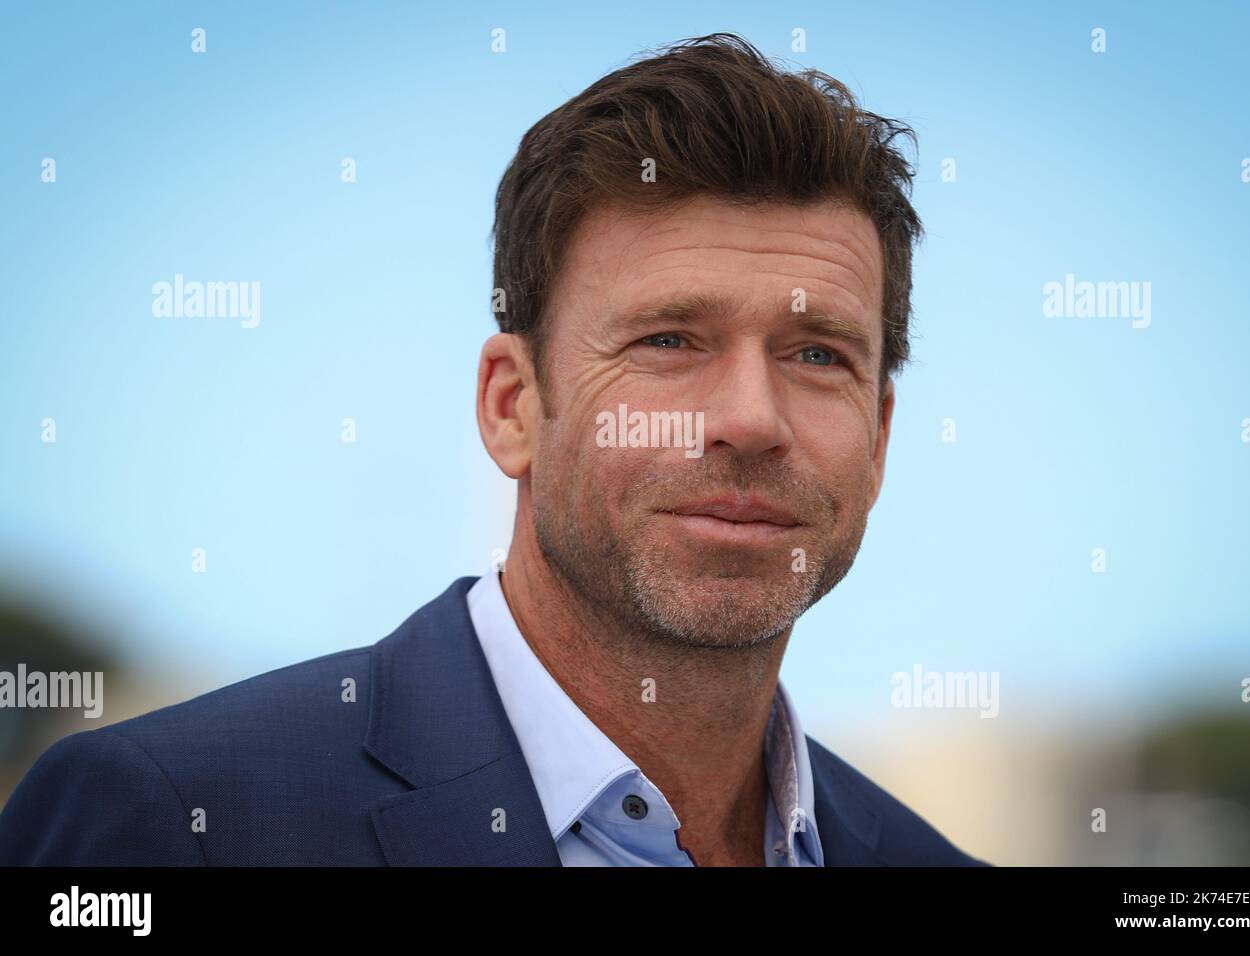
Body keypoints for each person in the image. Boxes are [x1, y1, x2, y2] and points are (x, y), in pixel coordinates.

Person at [0, 33, 988, 867]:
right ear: (513, 406)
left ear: (879, 438)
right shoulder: (170, 822)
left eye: (817, 354)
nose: (748, 417)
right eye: (668, 339)